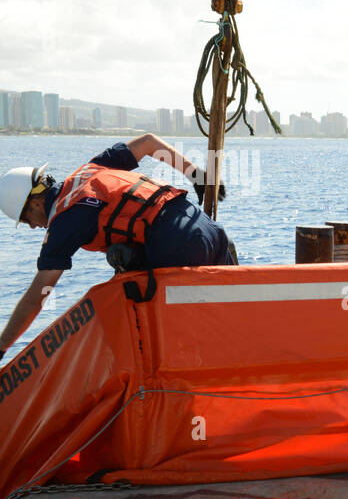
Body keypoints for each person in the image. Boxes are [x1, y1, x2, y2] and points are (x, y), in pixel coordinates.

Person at [0, 134, 234, 361]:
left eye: (25, 220)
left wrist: (2, 347)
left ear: (36, 203)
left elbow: (37, 296)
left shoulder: (63, 222)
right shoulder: (91, 169)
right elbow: (148, 142)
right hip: (209, 229)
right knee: (233, 316)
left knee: (135, 317)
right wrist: (196, 175)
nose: (31, 227)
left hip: (177, 247)